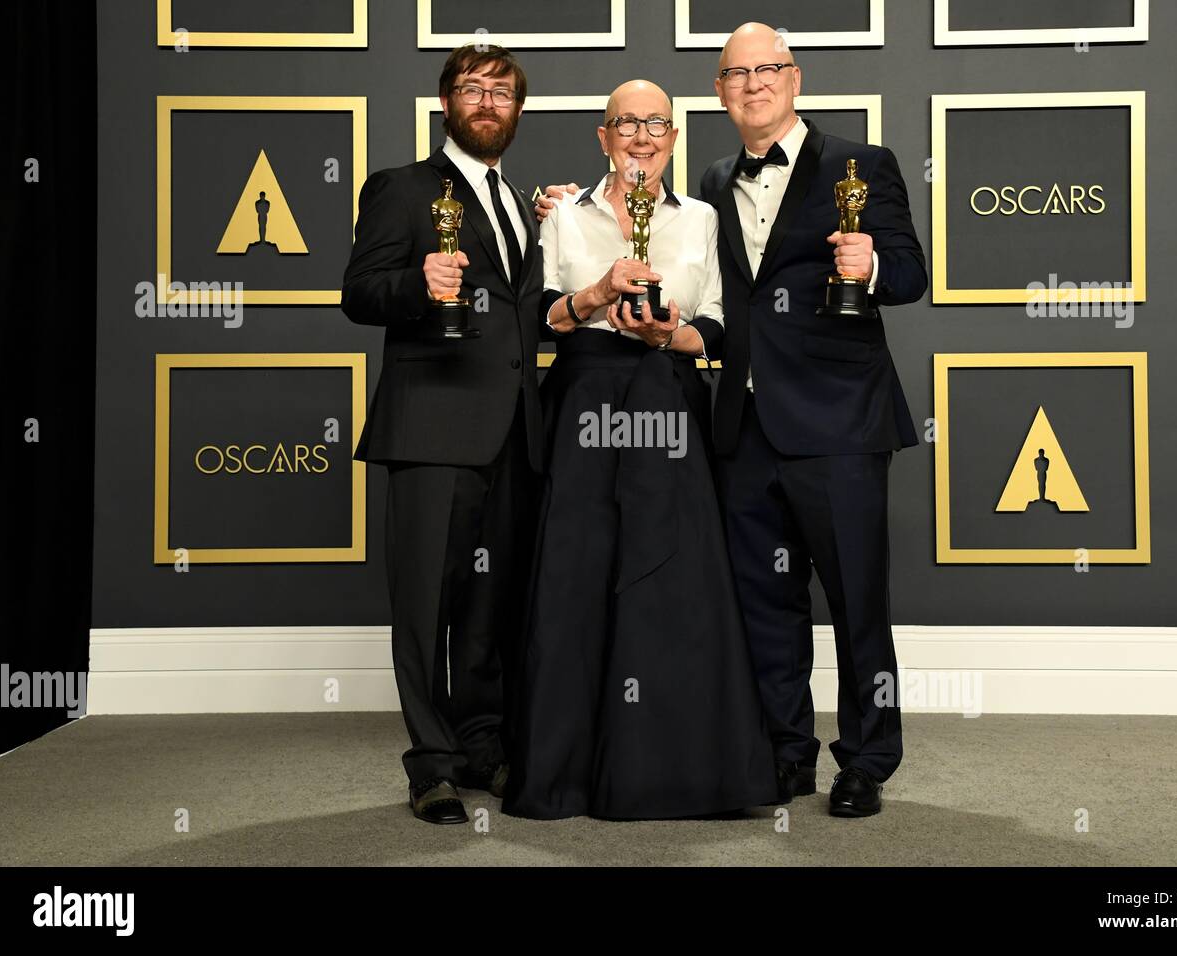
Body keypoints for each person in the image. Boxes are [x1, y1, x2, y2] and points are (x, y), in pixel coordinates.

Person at [536, 23, 926, 818]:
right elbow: (658, 228)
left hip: (839, 420)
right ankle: (786, 752)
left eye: (768, 70)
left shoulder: (865, 165)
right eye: (735, 73)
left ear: (795, 79)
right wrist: (564, 205)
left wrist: (872, 266)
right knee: (762, 603)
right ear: (717, 92)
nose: (752, 83)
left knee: (857, 598)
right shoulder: (708, 184)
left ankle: (866, 760)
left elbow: (912, 273)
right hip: (737, 422)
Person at [503, 80, 776, 821]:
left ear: (675, 138)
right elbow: (536, 319)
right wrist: (593, 295)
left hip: (668, 394)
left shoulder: (702, 218)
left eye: (657, 123)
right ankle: (564, 776)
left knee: (673, 579)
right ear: (603, 137)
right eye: (627, 123)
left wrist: (674, 334)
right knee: (577, 574)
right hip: (586, 401)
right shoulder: (561, 214)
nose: (642, 135)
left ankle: (673, 772)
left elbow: (718, 319)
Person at [341, 44, 544, 825]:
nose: (488, 101)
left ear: (518, 111)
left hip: (516, 431)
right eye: (473, 88)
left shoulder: (521, 201)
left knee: (493, 606)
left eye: (503, 91)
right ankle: (431, 765)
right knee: (425, 607)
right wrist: (417, 285)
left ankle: (482, 746)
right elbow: (360, 292)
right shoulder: (402, 188)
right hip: (431, 427)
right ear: (445, 104)